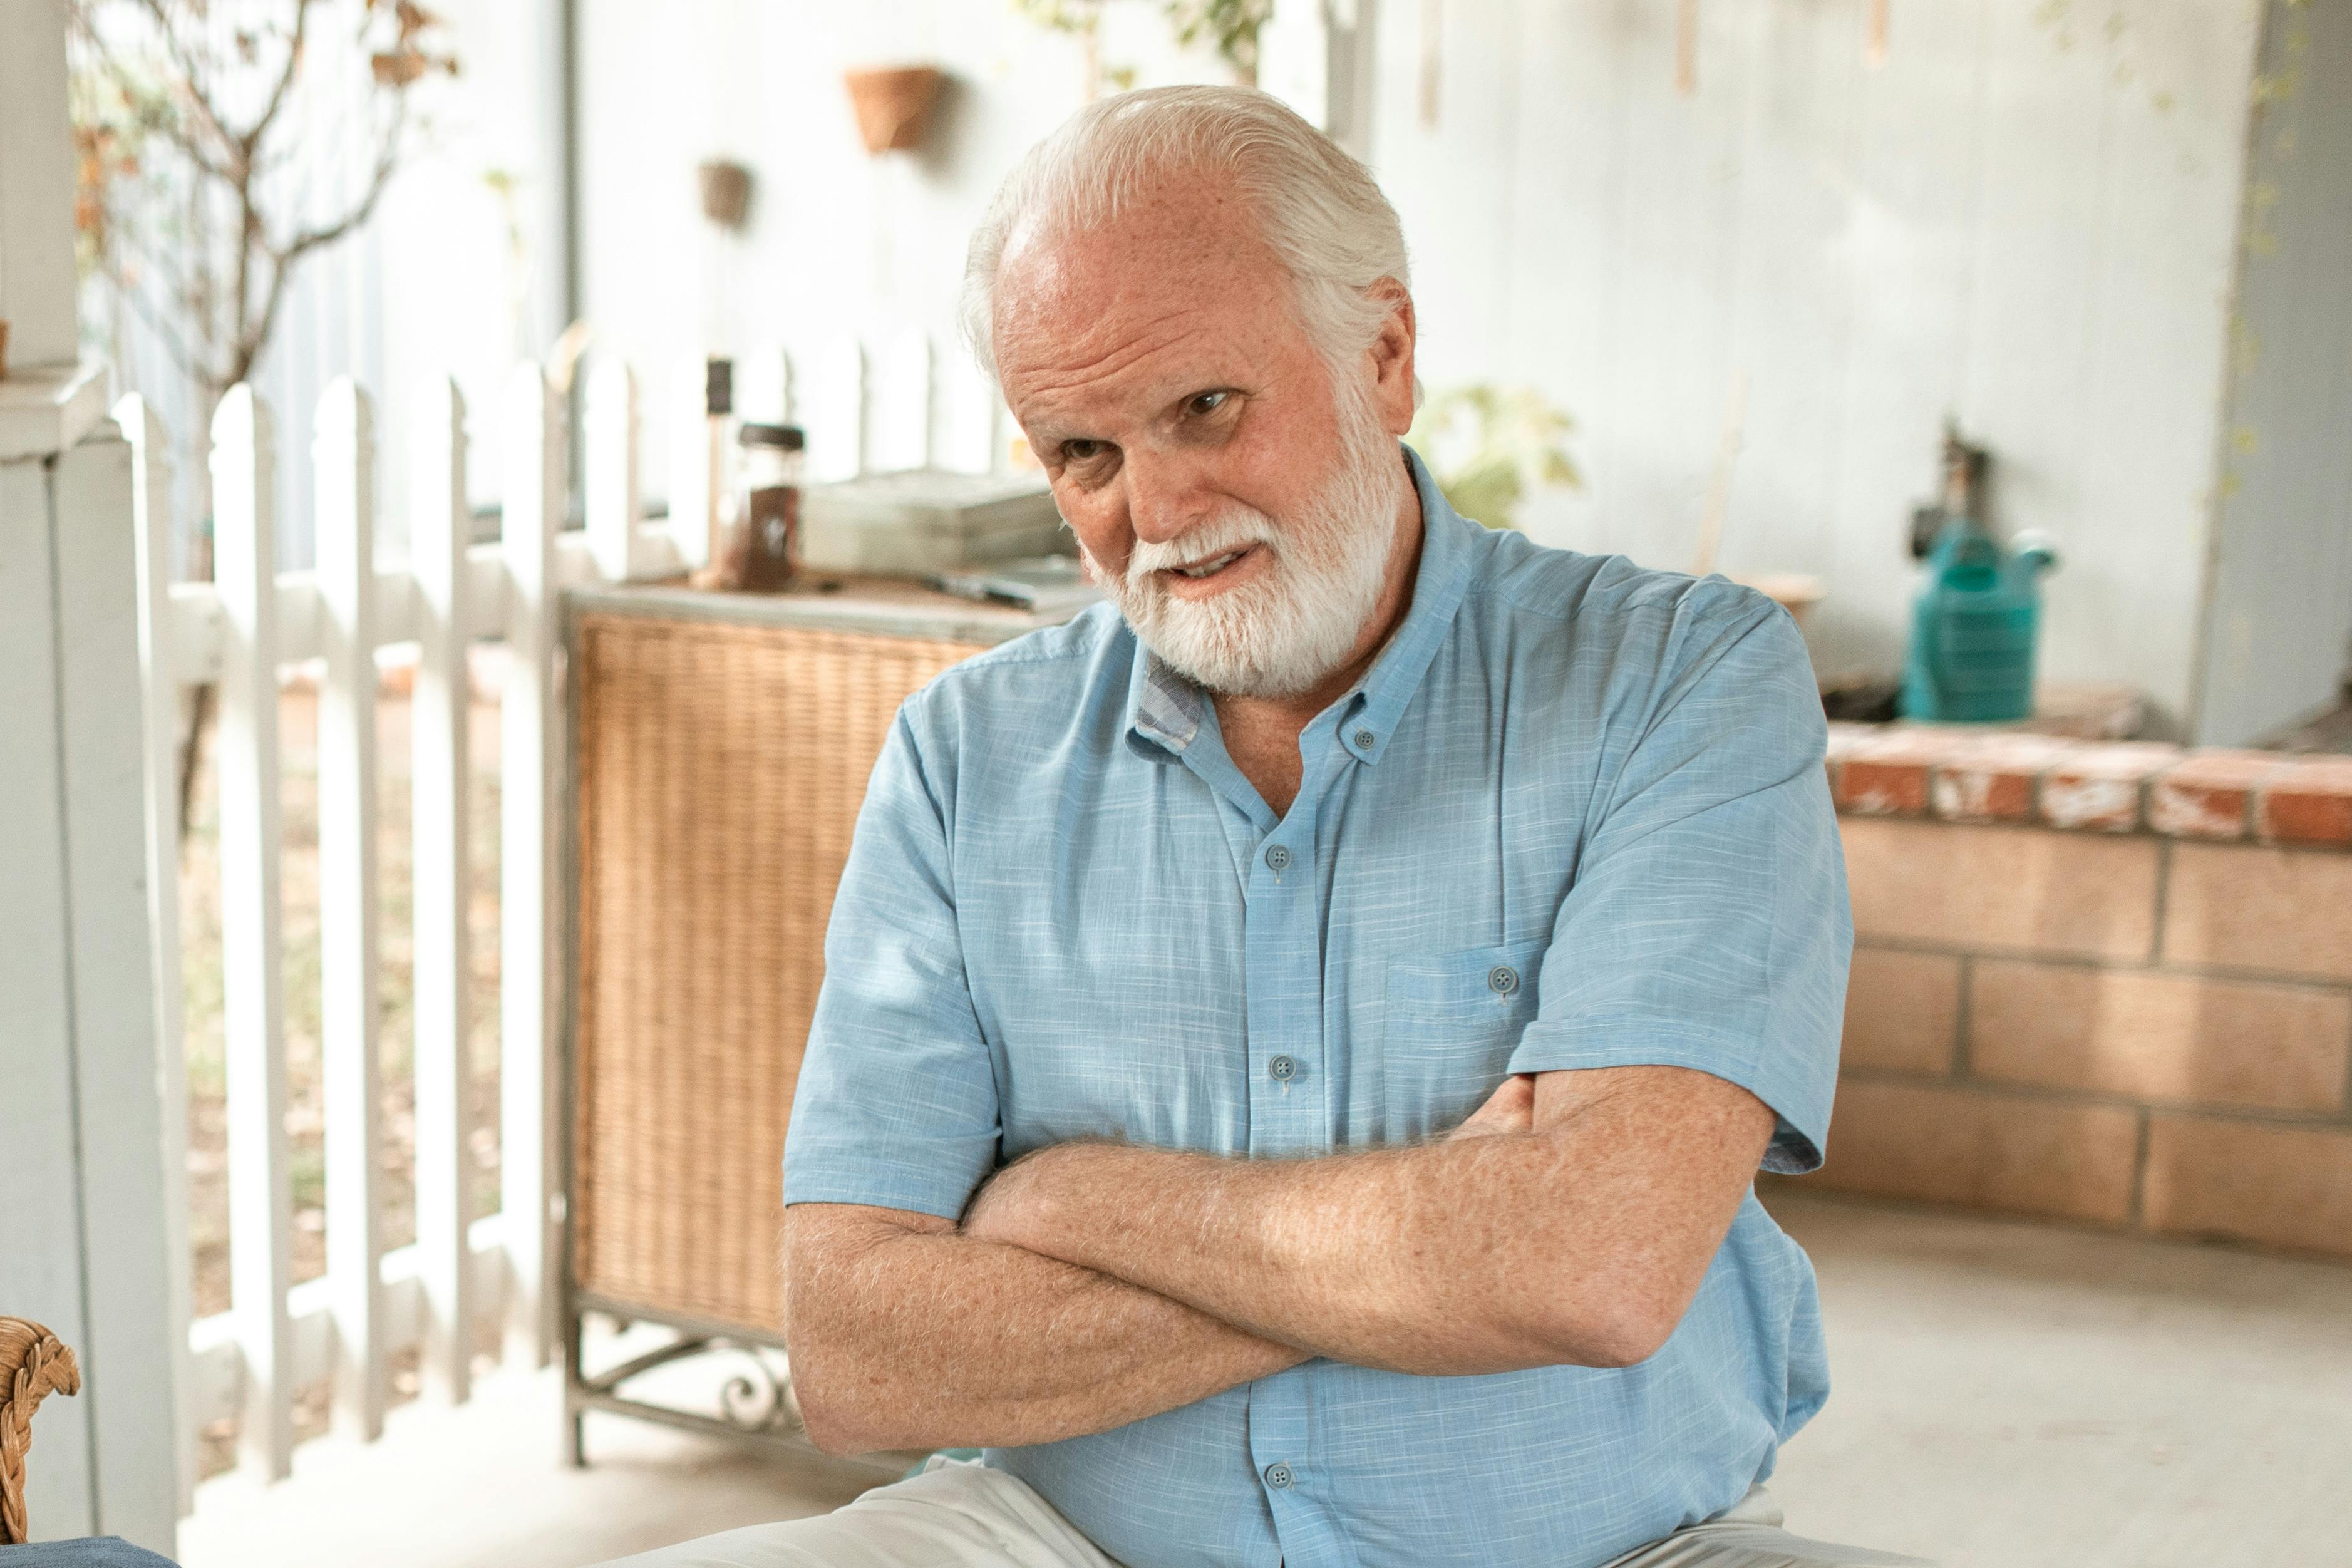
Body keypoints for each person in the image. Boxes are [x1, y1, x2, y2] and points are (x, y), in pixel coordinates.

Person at [597, 85, 1926, 1568]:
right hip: (1058, 1540)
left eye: (1205, 408)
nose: (1159, 508)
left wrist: (1073, 1201)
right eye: (1083, 452)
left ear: (1386, 355)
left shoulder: (1681, 678)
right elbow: (859, 1354)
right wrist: (1445, 1246)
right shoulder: (963, 756)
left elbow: (1595, 1264)